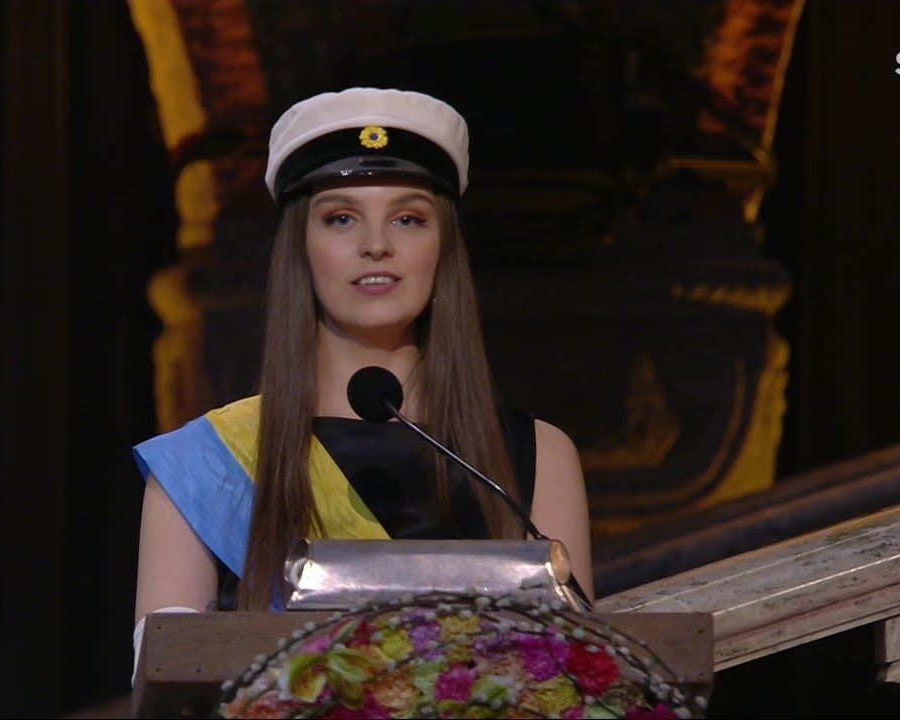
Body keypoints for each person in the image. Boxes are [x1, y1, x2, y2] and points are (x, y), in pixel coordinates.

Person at [130, 88, 594, 676]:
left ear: (443, 247)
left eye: (408, 218)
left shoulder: (535, 458)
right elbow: (174, 692)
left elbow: (582, 684)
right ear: (302, 248)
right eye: (341, 218)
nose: (376, 244)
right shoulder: (204, 465)